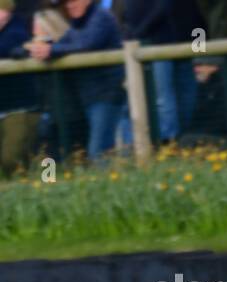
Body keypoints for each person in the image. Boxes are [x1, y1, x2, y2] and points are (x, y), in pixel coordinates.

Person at [28, 0, 126, 159]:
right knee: (89, 151)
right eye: (67, 3)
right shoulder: (78, 23)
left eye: (73, 1)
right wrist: (32, 50)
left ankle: (111, 180)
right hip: (86, 98)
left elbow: (86, 44)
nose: (69, 5)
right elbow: (65, 43)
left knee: (98, 150)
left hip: (106, 94)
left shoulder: (101, 17)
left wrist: (51, 50)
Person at [121, 0, 204, 142]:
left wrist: (201, 54)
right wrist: (135, 36)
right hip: (158, 46)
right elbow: (127, 16)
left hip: (184, 49)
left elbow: (197, 20)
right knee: (165, 99)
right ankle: (170, 142)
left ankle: (180, 140)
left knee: (183, 97)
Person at [0, 0, 39, 175]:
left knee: (11, 159)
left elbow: (9, 45)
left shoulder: (17, 30)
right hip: (5, 106)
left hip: (20, 107)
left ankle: (47, 180)